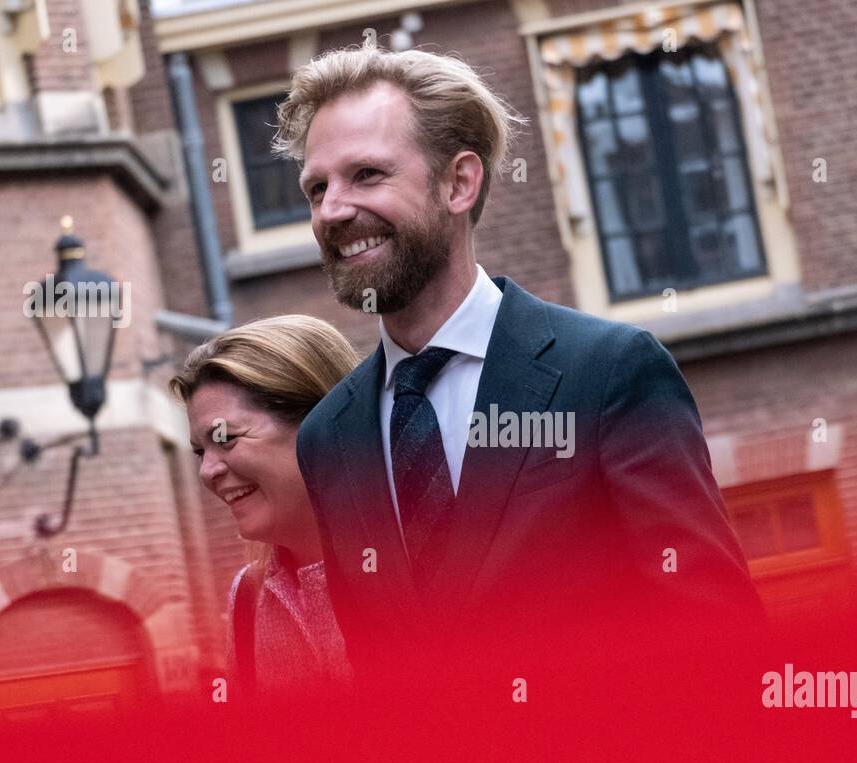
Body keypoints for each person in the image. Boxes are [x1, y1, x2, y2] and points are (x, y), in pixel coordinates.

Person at [277, 45, 766, 686]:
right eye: (318, 187)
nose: (333, 211)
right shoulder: (327, 438)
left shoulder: (609, 373)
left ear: (459, 182)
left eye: (366, 175)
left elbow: (720, 635)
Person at [168, 315, 360, 700]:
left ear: (319, 423)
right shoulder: (247, 599)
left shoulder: (430, 565)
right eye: (199, 451)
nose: (207, 471)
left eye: (227, 439)